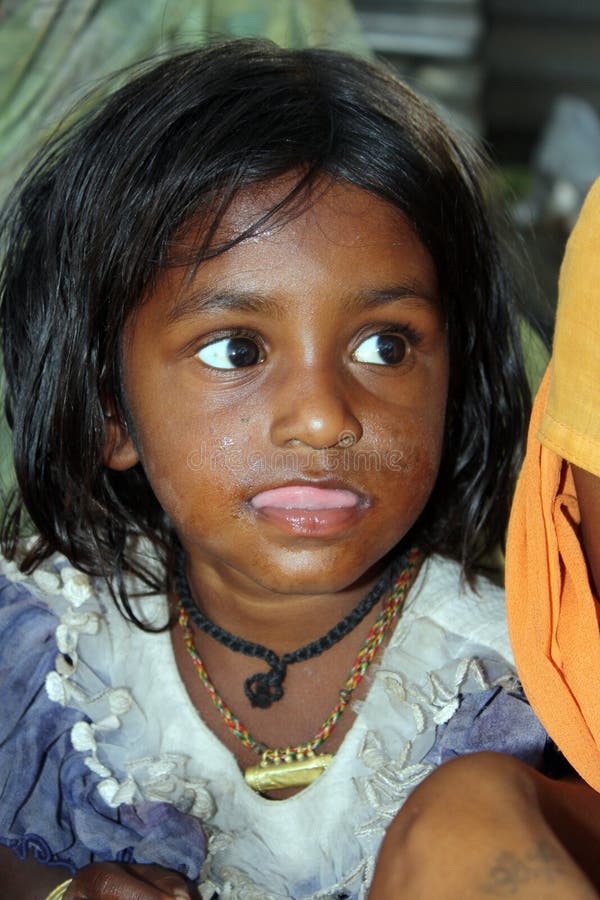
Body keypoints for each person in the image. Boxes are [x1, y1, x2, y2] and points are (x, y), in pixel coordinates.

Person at [0, 38, 552, 899]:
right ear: (112, 410)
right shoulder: (47, 657)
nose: (325, 416)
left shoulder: (513, 678)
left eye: (385, 344)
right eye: (235, 348)